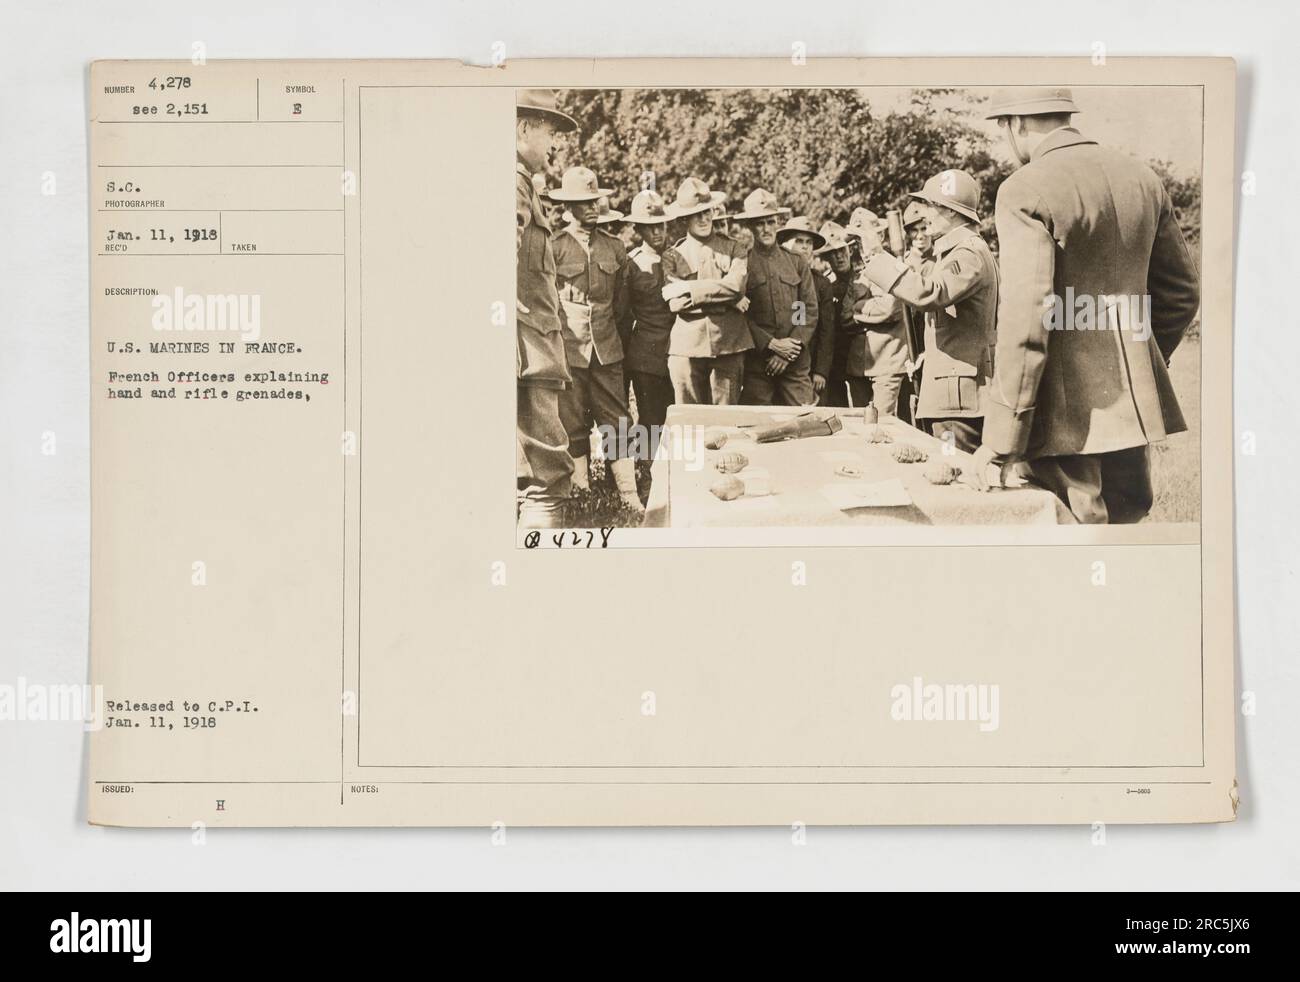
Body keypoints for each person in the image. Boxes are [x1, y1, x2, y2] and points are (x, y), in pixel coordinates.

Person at [967, 87, 1200, 524]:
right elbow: (1182, 292)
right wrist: (1140, 361)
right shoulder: (1143, 177)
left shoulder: (1024, 188)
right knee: (1128, 538)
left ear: (1015, 125)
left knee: (1071, 547)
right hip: (1132, 412)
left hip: (1060, 418)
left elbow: (1025, 320)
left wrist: (1001, 440)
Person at [861, 169, 998, 452]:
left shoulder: (968, 252)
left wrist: (878, 258)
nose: (925, 216)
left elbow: (930, 293)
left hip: (958, 401)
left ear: (950, 211)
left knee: (956, 472)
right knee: (951, 471)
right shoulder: (958, 251)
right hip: (952, 391)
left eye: (930, 207)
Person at [547, 166, 644, 514]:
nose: (592, 208)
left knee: (618, 420)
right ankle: (581, 491)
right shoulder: (554, 246)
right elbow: (549, 300)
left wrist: (609, 336)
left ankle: (629, 494)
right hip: (569, 348)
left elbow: (621, 304)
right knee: (571, 421)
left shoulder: (615, 247)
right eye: (584, 202)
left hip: (607, 349)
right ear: (567, 208)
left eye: (594, 201)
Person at [514, 90, 576, 529]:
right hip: (527, 356)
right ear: (522, 129)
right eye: (552, 133)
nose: (557, 145)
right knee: (546, 477)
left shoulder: (520, 185)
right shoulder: (511, 183)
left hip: (527, 352)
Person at [660, 178, 752, 405]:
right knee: (689, 423)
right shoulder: (672, 255)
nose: (703, 218)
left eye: (707, 211)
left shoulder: (734, 248)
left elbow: (736, 286)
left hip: (728, 344)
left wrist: (689, 287)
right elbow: (675, 303)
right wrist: (728, 299)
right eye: (696, 214)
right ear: (684, 218)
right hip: (687, 348)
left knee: (726, 422)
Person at [737, 191, 819, 406]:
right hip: (758, 363)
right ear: (750, 227)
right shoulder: (742, 263)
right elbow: (741, 315)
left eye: (770, 222)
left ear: (778, 223)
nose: (765, 229)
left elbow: (805, 308)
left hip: (795, 361)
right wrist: (771, 344)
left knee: (807, 418)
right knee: (757, 425)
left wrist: (789, 349)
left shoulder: (796, 262)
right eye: (759, 223)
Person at [620, 189, 677, 446]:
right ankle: (647, 475)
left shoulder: (680, 256)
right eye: (649, 227)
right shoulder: (631, 265)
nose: (657, 233)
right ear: (638, 230)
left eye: (660, 226)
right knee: (651, 420)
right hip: (647, 356)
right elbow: (622, 313)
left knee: (681, 418)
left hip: (681, 351)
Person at [841, 208, 908, 416]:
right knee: (859, 426)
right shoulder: (858, 272)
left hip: (888, 362)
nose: (860, 246)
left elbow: (890, 309)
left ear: (880, 235)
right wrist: (870, 310)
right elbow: (844, 317)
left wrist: (858, 309)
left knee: (884, 425)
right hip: (858, 365)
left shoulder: (895, 265)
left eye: (863, 239)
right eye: (856, 242)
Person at [777, 215, 834, 403]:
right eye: (799, 241)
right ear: (785, 244)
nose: (804, 247)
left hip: (806, 364)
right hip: (772, 360)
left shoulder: (821, 283)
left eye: (809, 242)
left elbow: (826, 331)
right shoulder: (775, 276)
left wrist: (821, 371)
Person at [809, 221, 855, 407]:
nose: (839, 257)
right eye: (833, 254)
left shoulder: (865, 278)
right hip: (832, 362)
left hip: (861, 358)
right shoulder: (824, 285)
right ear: (826, 258)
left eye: (842, 251)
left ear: (850, 250)